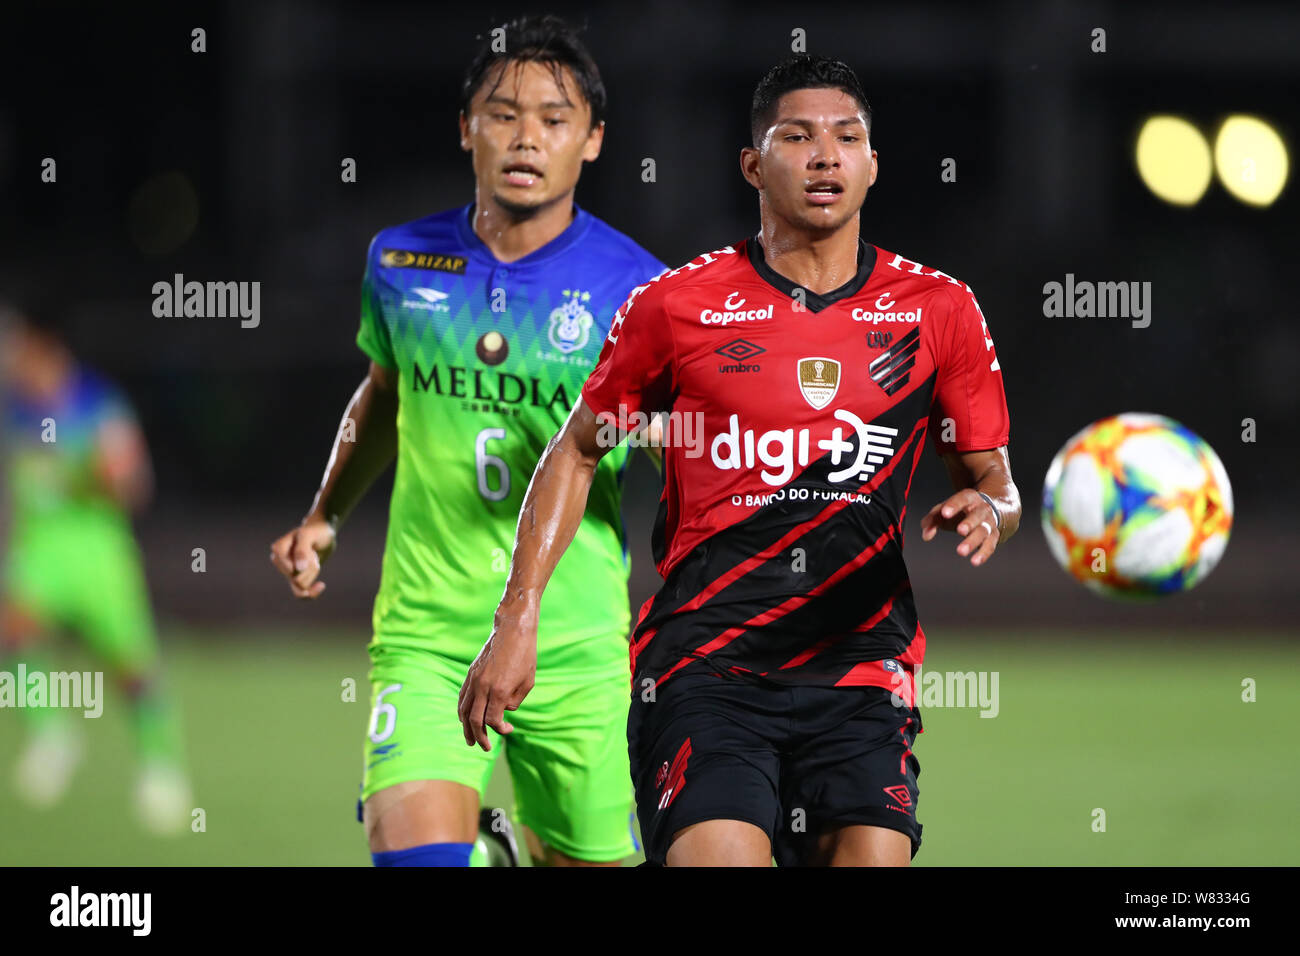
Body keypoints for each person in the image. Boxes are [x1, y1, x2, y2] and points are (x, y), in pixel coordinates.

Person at [460, 54, 1022, 867]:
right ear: (754, 165)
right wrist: (518, 619)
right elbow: (578, 450)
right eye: (798, 136)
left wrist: (992, 512)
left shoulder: (939, 310)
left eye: (847, 137)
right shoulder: (676, 306)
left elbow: (996, 482)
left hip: (861, 672)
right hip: (703, 669)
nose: (825, 155)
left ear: (873, 165)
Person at [269, 15, 666, 867]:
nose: (527, 137)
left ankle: (497, 851)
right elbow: (384, 394)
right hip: (430, 629)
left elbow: (688, 442)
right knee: (414, 857)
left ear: (592, 141)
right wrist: (324, 514)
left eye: (554, 119)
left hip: (574, 642)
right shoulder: (401, 263)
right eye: (503, 112)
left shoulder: (640, 291)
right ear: (466, 128)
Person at [0, 299, 191, 835]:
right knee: (11, 632)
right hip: (40, 554)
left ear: (44, 347)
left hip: (100, 554)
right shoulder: (14, 409)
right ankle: (52, 734)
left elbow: (134, 486)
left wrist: (92, 476)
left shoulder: (96, 403)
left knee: (132, 669)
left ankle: (161, 767)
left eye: (16, 347)